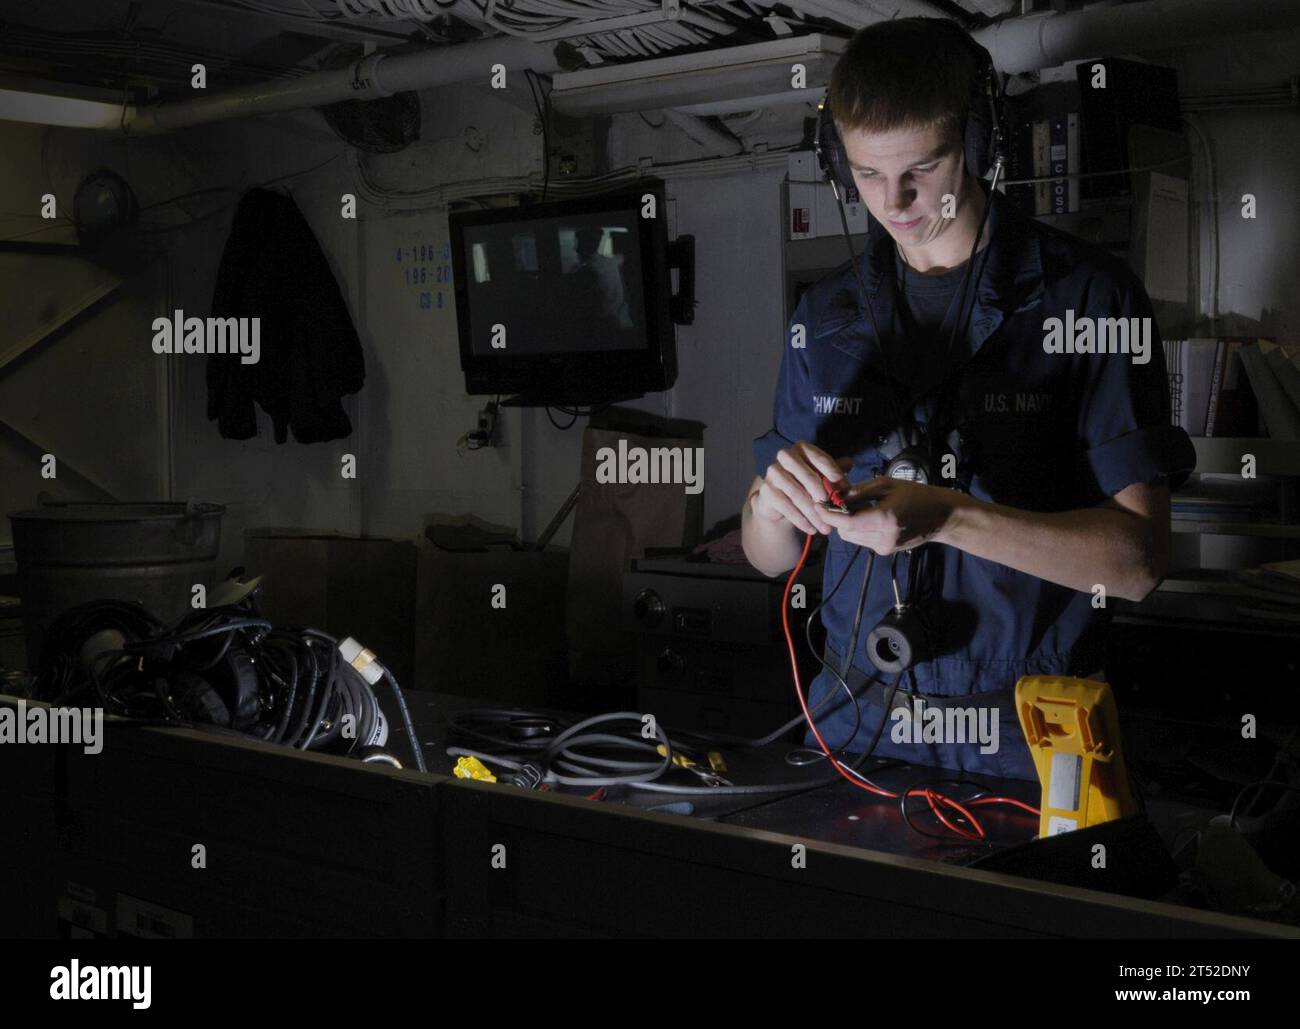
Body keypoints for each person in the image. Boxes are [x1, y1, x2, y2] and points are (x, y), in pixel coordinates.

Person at [741, 17, 1195, 781]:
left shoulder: (1089, 302)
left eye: (925, 166)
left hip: (1029, 739)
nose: (896, 200)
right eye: (867, 174)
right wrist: (768, 506)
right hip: (854, 725)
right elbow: (771, 558)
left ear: (981, 142)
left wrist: (948, 516)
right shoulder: (824, 319)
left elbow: (1138, 562)